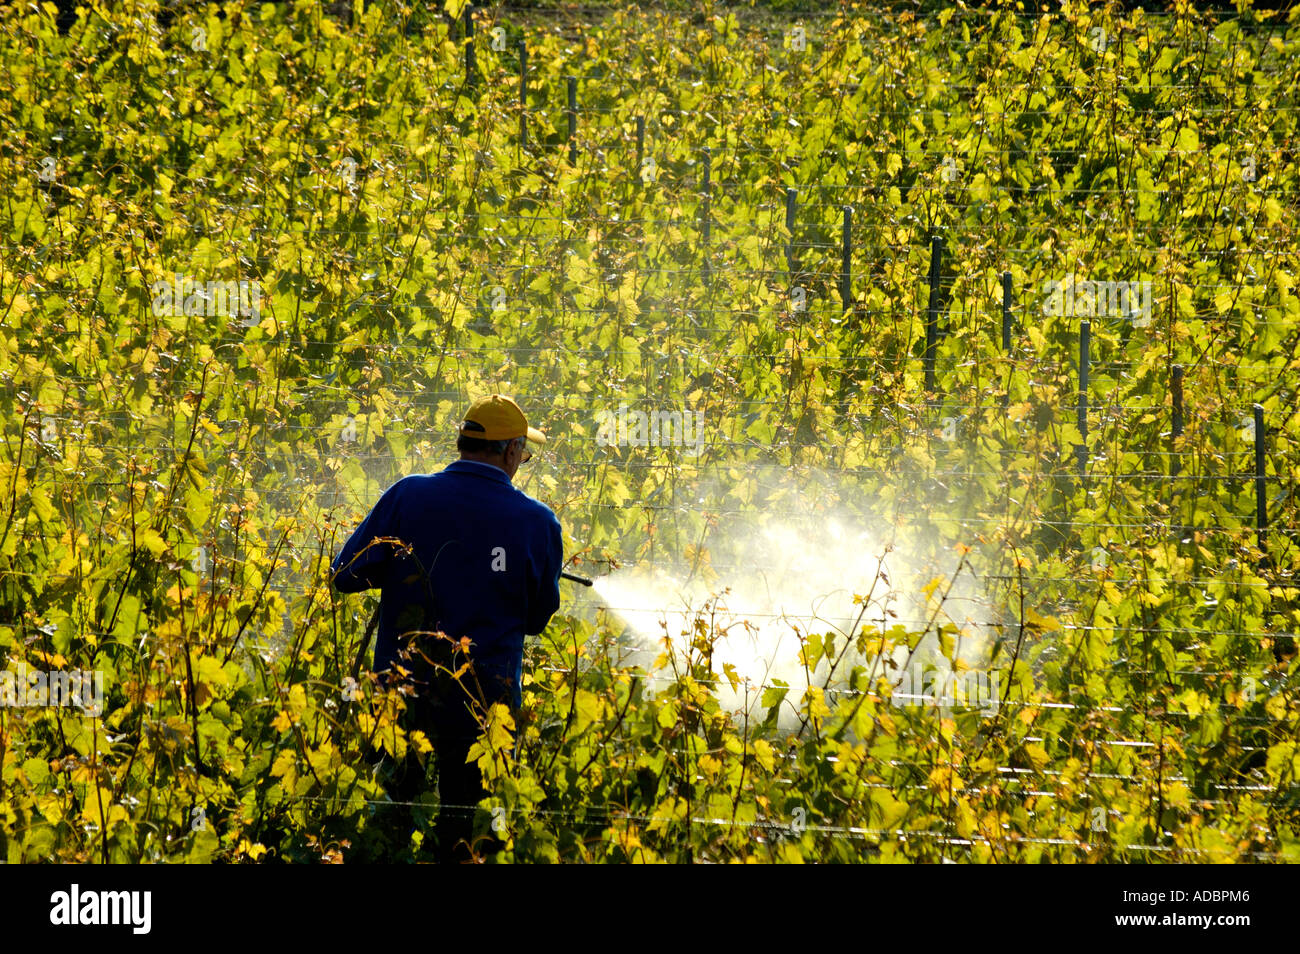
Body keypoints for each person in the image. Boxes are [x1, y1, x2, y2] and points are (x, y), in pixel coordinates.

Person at [330, 394, 563, 862]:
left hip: (401, 694)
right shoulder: (537, 523)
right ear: (511, 451)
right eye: (525, 453)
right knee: (474, 836)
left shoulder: (407, 495)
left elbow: (344, 574)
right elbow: (536, 619)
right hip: (485, 706)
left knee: (390, 826)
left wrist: (401, 569)